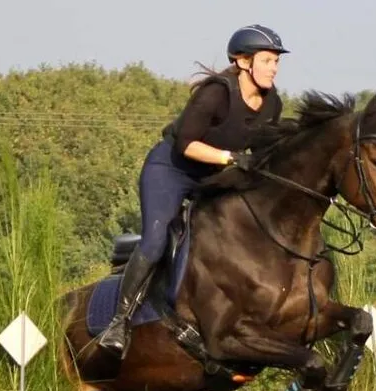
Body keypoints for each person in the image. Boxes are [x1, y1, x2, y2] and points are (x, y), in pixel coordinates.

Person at [97, 24, 289, 358]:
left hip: (214, 178)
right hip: (172, 170)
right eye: (268, 60)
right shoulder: (216, 93)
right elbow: (186, 144)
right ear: (244, 62)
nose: (274, 68)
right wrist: (229, 158)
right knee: (156, 241)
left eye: (276, 62)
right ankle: (120, 321)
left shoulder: (273, 105)